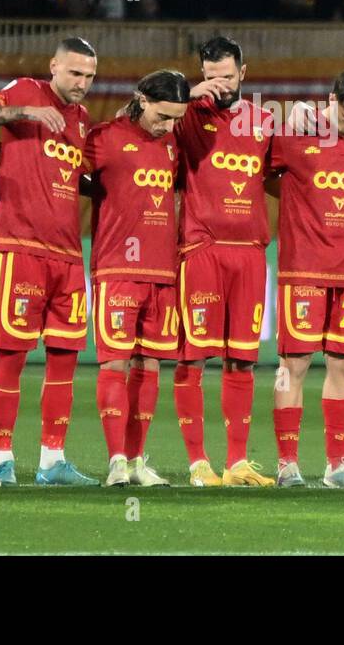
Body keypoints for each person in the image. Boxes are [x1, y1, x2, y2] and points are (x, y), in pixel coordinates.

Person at [0, 37, 100, 486]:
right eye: (75, 73)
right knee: (12, 356)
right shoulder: (24, 89)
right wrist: (23, 113)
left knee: (64, 357)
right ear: (54, 67)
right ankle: (3, 459)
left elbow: (74, 178)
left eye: (89, 76)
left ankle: (52, 461)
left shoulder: (82, 121)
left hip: (67, 254)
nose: (82, 83)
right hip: (21, 248)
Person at [270, 68, 344, 488]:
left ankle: (338, 464)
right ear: (332, 98)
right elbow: (262, 174)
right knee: (292, 365)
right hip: (302, 268)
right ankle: (287, 463)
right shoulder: (293, 134)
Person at [171, 36, 276, 486]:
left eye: (228, 76)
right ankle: (198, 464)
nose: (220, 85)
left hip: (250, 253)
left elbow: (278, 177)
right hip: (202, 249)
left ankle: (236, 462)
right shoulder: (184, 115)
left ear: (243, 73)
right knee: (193, 357)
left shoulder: (265, 121)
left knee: (242, 360)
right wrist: (182, 96)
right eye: (211, 77)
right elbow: (130, 116)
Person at [83, 70, 190, 486]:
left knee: (150, 365)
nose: (168, 125)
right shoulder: (104, 137)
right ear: (142, 99)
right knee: (115, 362)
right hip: (117, 268)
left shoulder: (172, 144)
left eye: (176, 119)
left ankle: (137, 459)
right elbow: (65, 173)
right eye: (163, 116)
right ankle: (115, 463)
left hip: (163, 270)